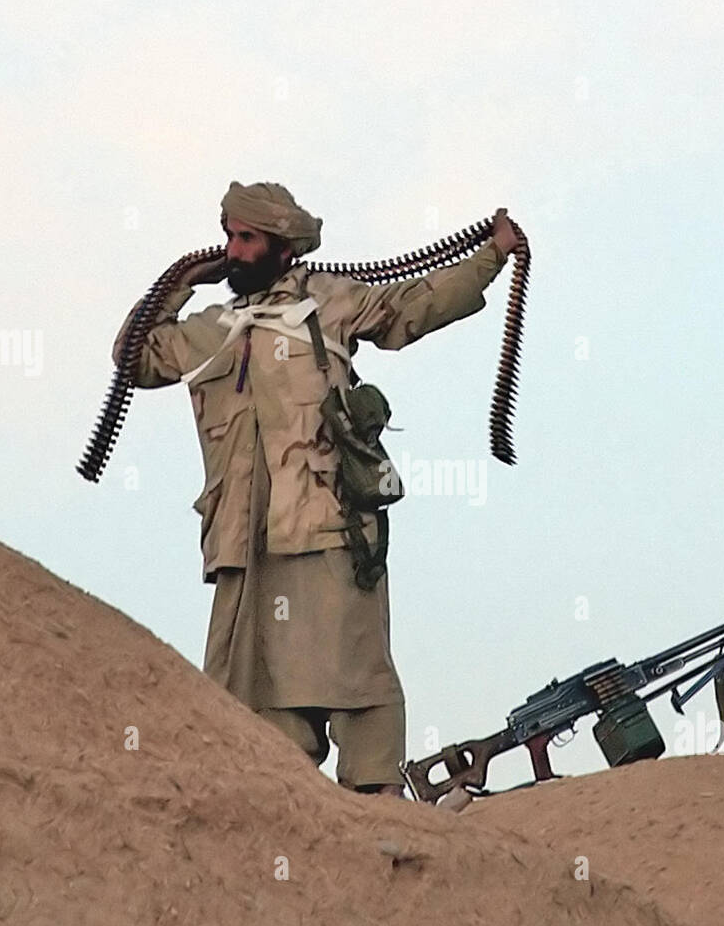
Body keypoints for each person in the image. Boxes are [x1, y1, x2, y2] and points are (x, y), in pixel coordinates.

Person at [112, 181, 523, 795]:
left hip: (327, 524)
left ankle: (376, 797)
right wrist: (181, 281)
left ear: (282, 246)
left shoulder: (328, 303)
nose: (235, 250)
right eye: (229, 237)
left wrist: (490, 257)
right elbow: (134, 358)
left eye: (247, 238)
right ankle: (286, 808)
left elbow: (413, 307)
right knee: (257, 686)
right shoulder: (209, 328)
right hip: (245, 542)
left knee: (353, 670)